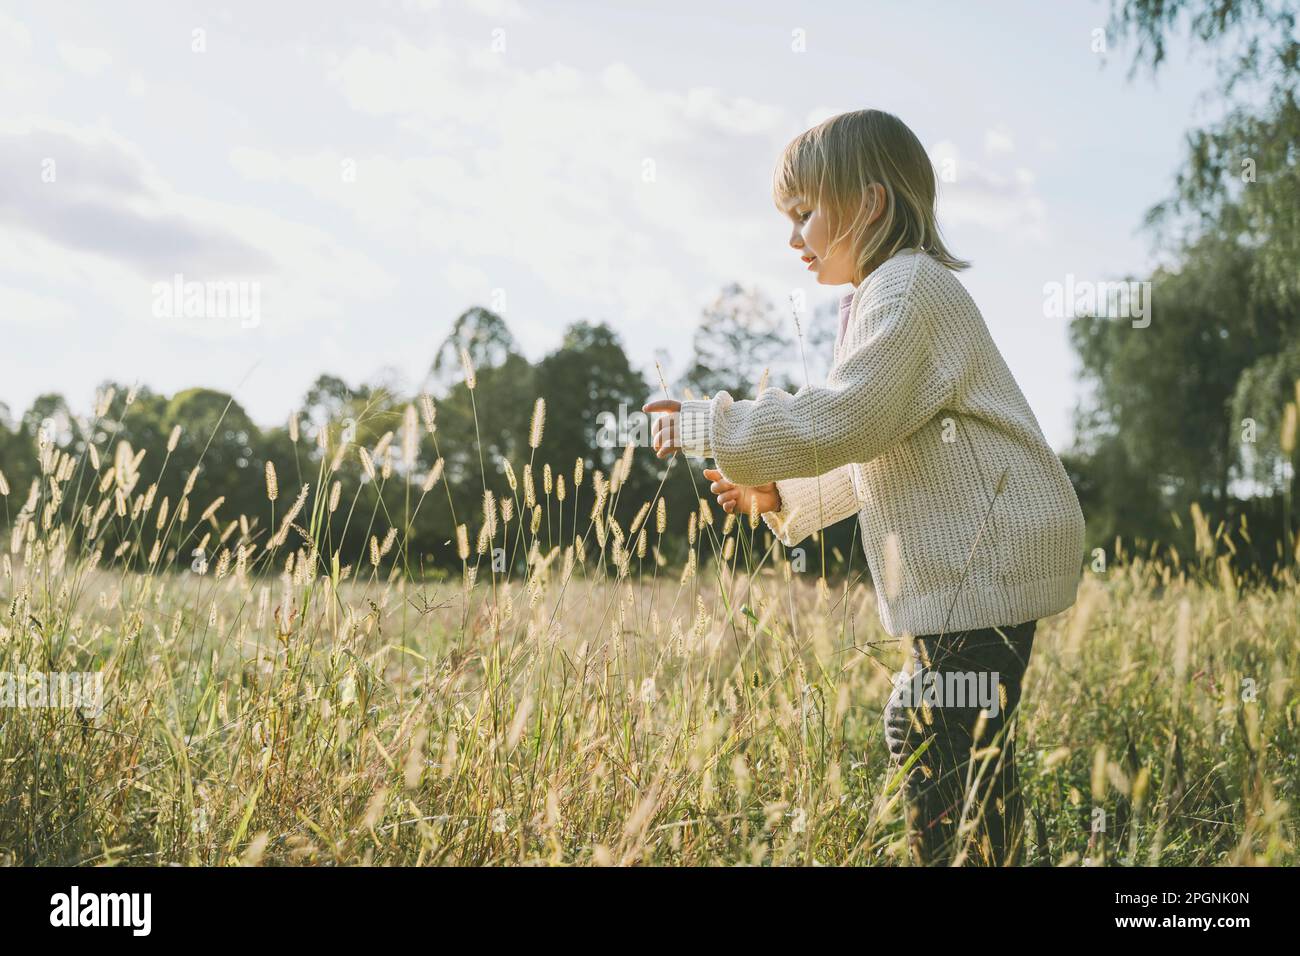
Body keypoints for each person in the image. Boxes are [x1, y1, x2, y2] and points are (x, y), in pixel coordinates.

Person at [643, 108, 1085, 866]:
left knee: (928, 728)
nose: (793, 239)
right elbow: (873, 448)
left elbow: (845, 419)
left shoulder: (906, 288)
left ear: (871, 204)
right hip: (975, 565)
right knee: (962, 743)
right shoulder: (888, 296)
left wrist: (712, 427)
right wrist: (784, 496)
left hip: (985, 561)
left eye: (805, 213)